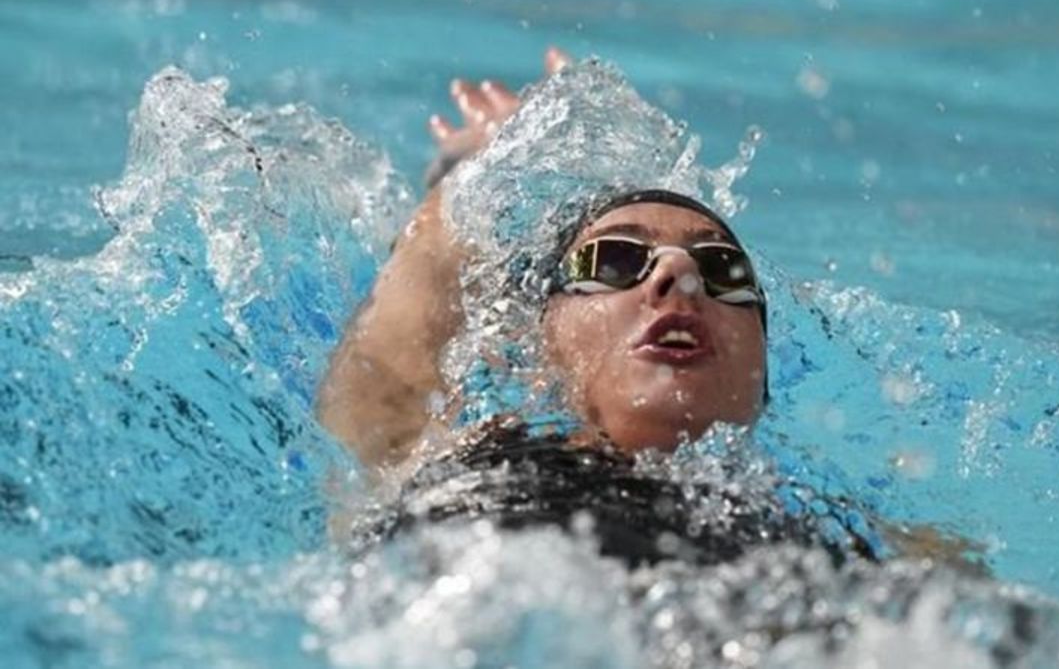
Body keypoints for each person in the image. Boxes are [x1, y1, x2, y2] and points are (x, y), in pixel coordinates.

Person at [316, 48, 977, 569]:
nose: (681, 274)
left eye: (725, 271)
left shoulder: (858, 540)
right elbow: (397, 355)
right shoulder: (435, 457)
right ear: (538, 342)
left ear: (762, 376)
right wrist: (477, 171)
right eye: (615, 261)